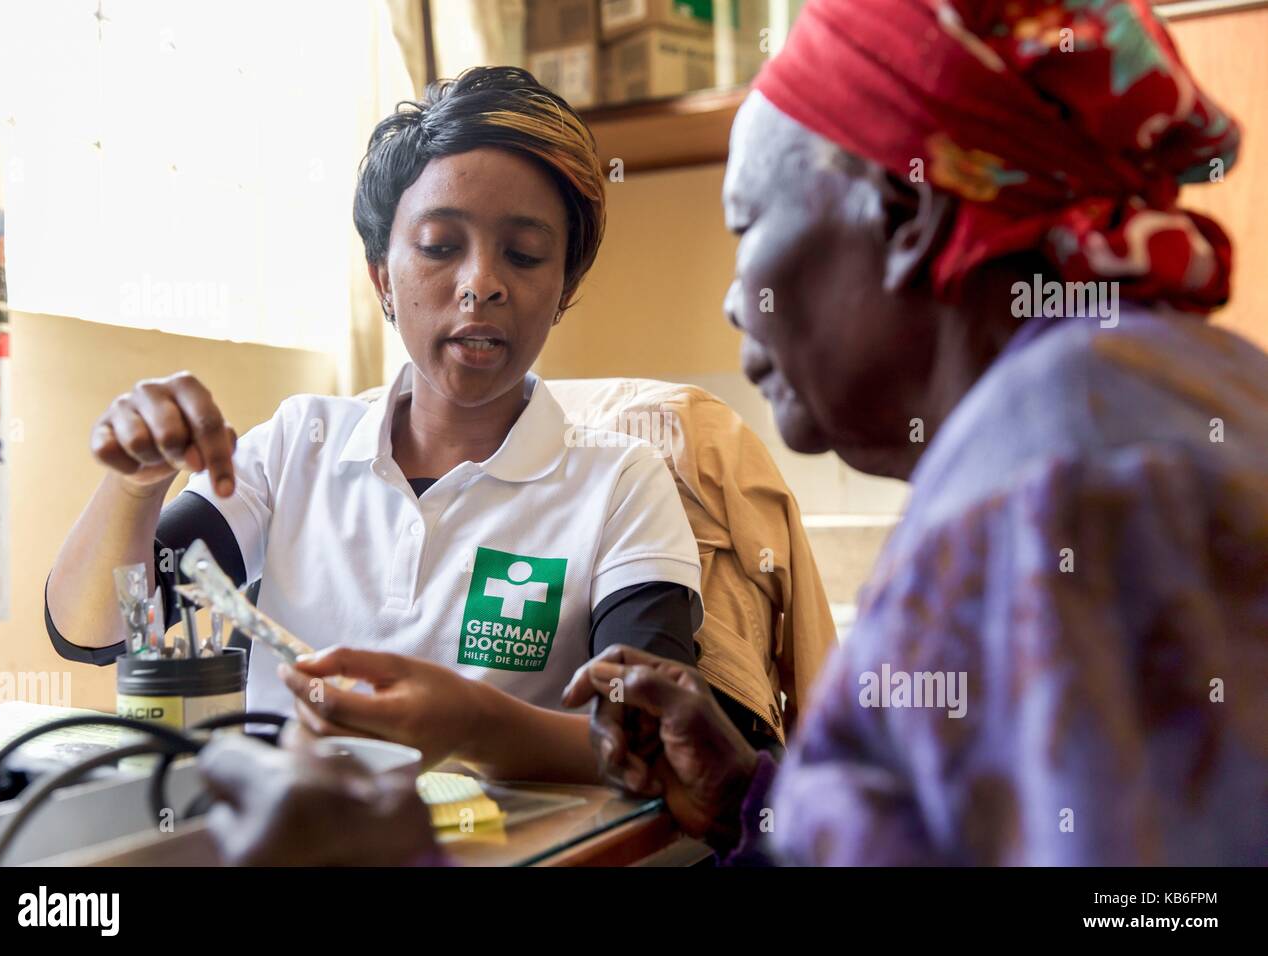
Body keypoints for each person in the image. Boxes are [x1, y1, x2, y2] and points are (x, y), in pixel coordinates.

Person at [201, 0, 1268, 866]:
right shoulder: (1105, 414)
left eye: (749, 230)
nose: (730, 299)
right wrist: (746, 801)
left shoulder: (1071, 486)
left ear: (907, 221)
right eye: (438, 247)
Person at [45, 67, 704, 784]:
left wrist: (475, 727)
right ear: (382, 277)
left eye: (524, 254)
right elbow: (92, 633)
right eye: (439, 246)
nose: (482, 282)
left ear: (565, 286)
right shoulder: (300, 447)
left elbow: (655, 740)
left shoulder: (620, 486)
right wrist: (136, 488)